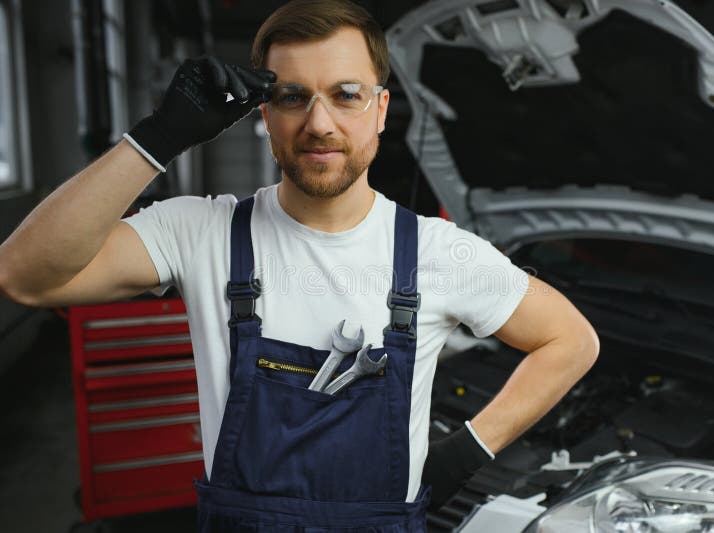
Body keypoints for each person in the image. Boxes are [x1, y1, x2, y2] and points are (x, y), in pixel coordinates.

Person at [0, 0, 599, 531]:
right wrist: (158, 138)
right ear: (264, 113)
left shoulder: (441, 252)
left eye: (346, 94)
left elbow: (571, 340)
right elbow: (25, 275)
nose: (319, 123)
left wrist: (464, 452)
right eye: (292, 97)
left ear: (382, 109)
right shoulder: (198, 230)